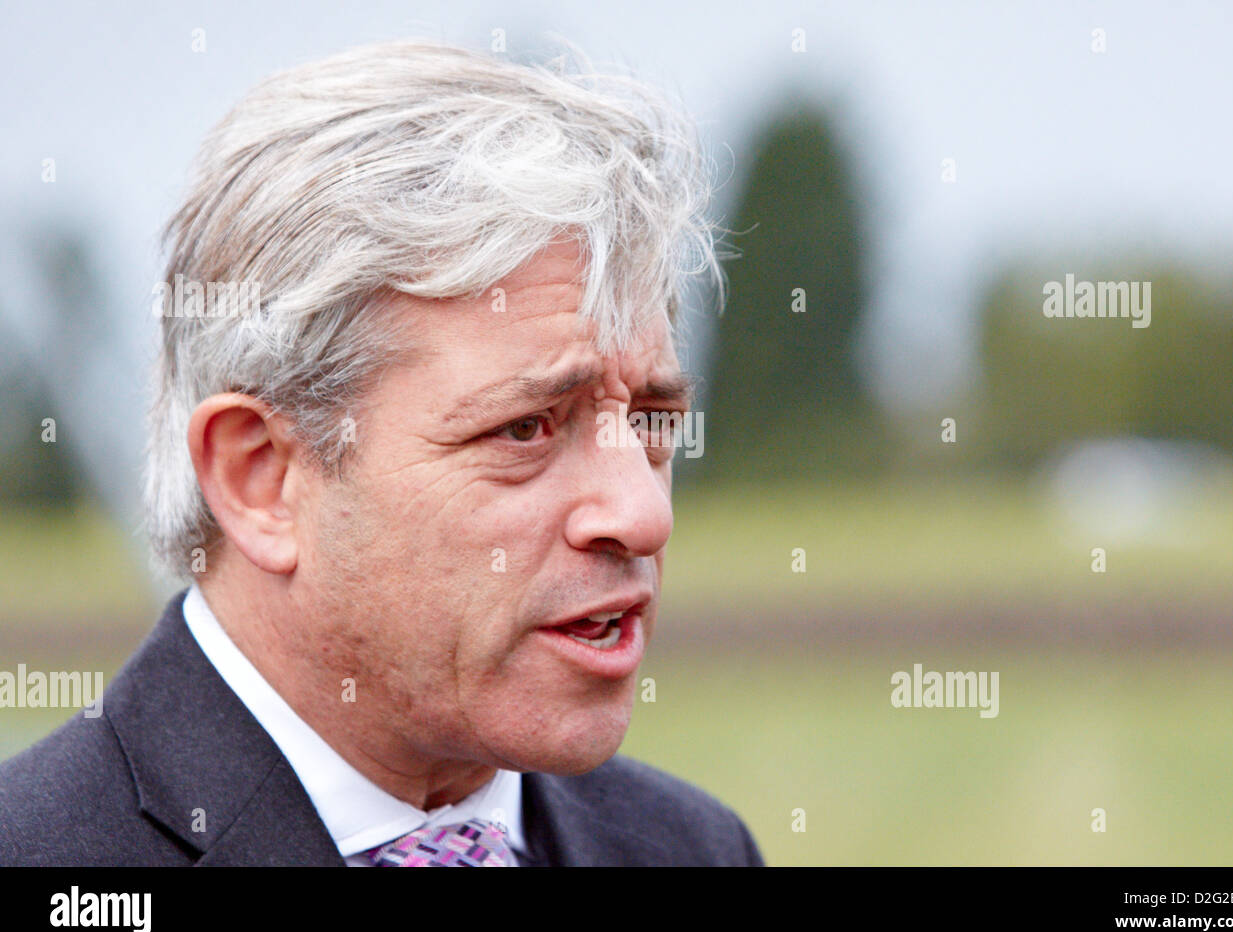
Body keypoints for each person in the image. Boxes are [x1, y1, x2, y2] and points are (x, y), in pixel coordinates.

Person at [0, 39, 763, 867]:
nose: (643, 514)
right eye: (527, 427)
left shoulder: (693, 848)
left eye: (652, 419)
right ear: (259, 477)